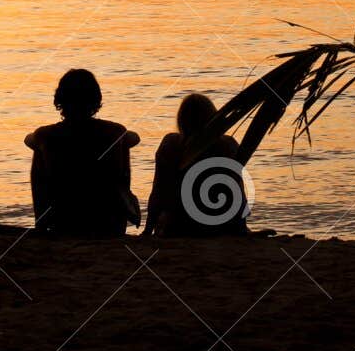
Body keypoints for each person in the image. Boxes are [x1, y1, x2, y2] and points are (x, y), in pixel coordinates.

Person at [26, 69, 140, 236]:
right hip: (107, 223)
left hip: (63, 222)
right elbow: (135, 138)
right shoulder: (115, 132)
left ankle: (40, 224)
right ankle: (121, 221)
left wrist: (36, 140)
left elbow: (29, 140)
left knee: (39, 154)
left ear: (60, 99)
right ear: (95, 99)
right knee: (121, 149)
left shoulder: (45, 135)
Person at [144, 92, 249, 237]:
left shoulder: (171, 144)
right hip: (223, 224)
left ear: (182, 119)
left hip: (179, 224)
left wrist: (148, 229)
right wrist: (241, 228)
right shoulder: (228, 144)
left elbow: (159, 190)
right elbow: (237, 190)